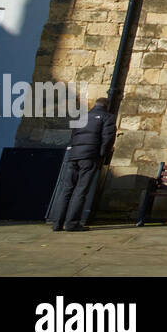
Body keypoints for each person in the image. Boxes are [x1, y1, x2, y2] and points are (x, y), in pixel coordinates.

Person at [50, 96, 116, 232]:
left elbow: (74, 136)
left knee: (66, 189)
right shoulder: (108, 117)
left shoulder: (82, 117)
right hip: (89, 156)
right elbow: (108, 139)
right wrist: (102, 156)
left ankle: (56, 223)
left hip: (74, 155)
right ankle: (72, 224)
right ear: (107, 106)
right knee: (81, 190)